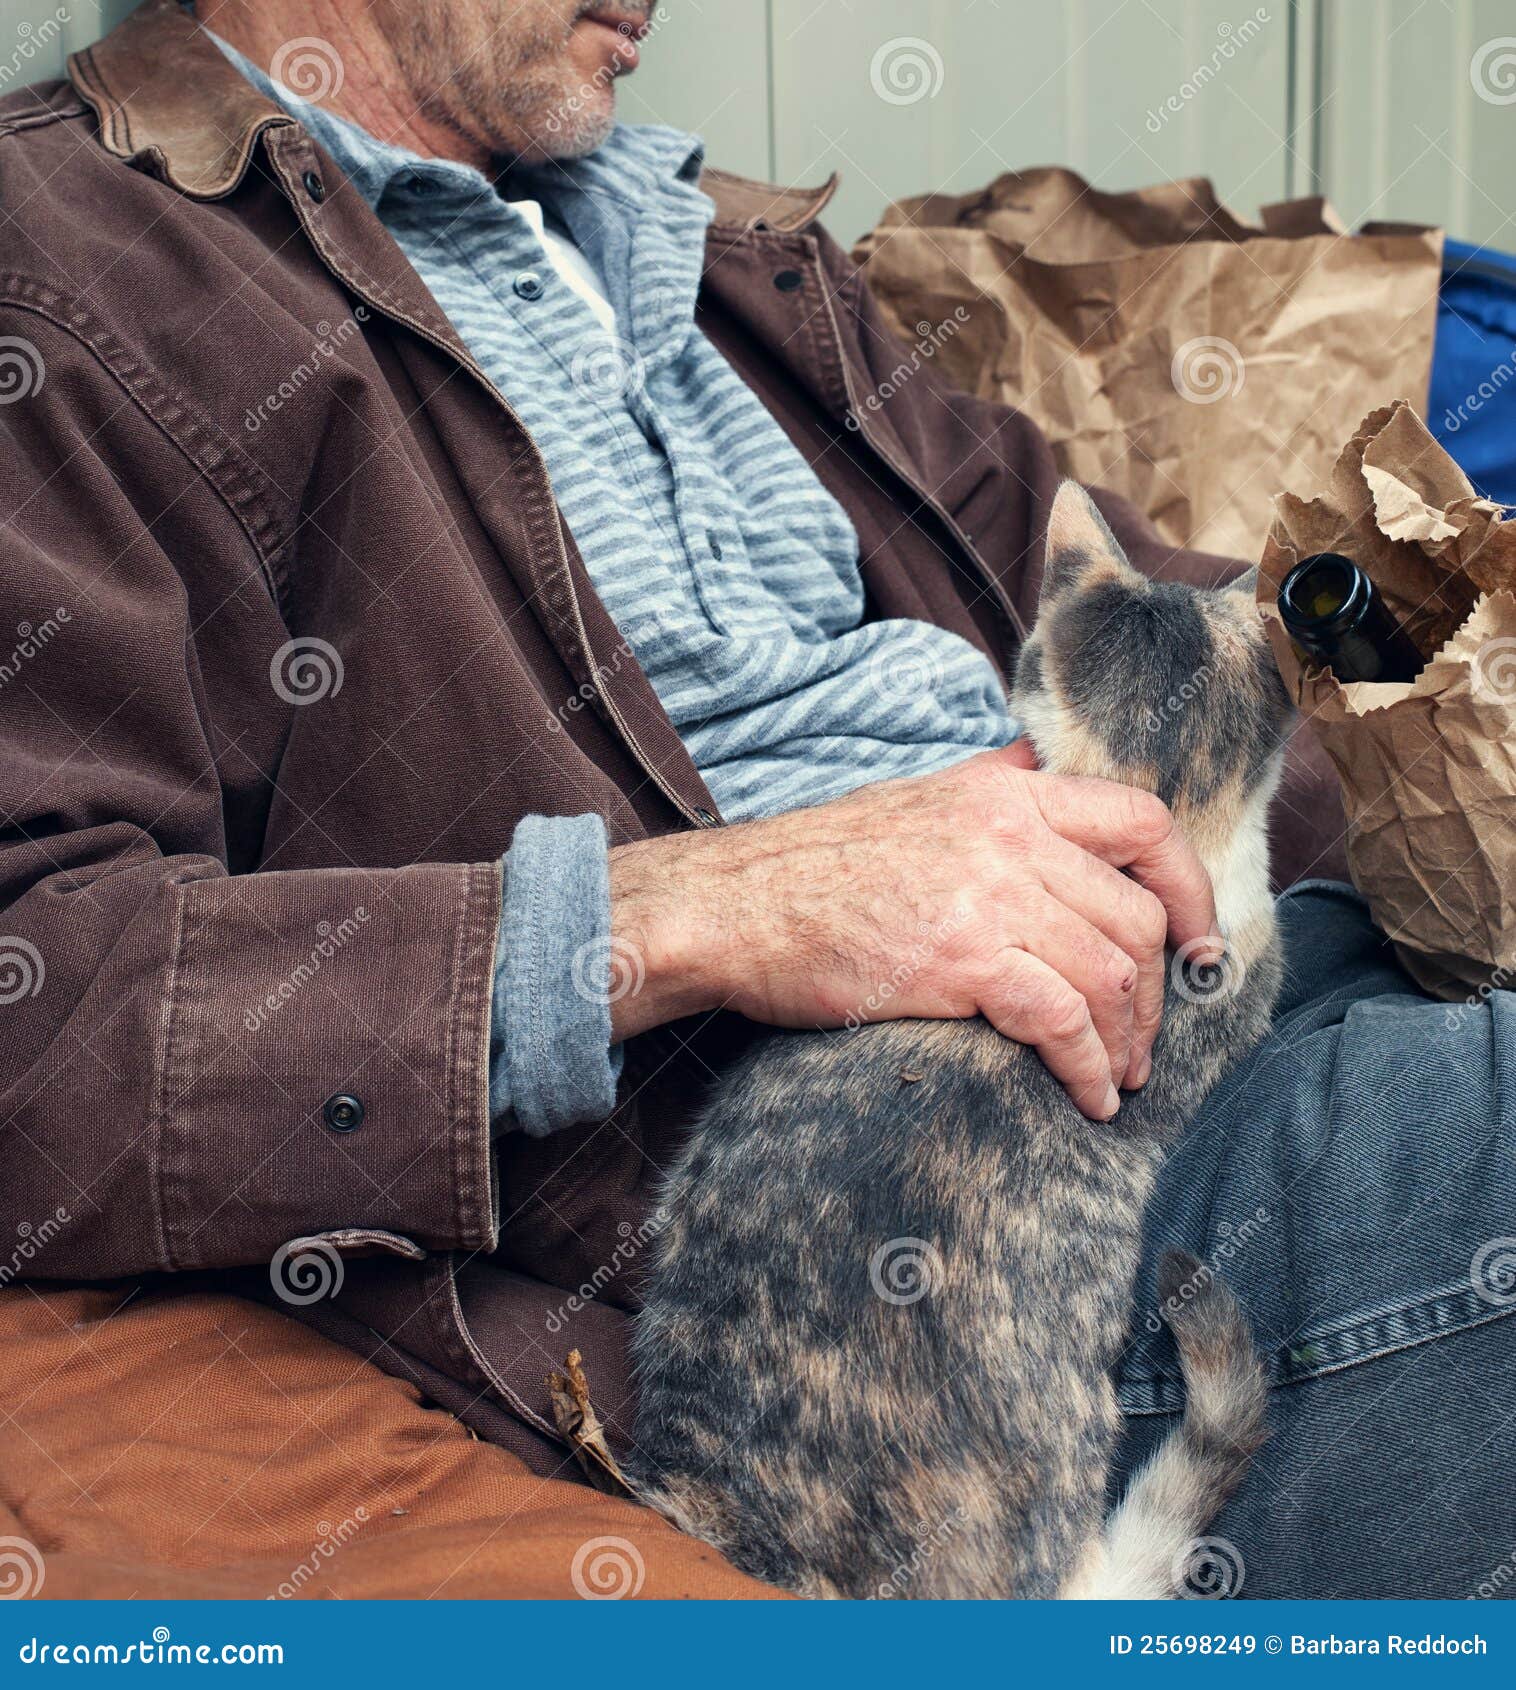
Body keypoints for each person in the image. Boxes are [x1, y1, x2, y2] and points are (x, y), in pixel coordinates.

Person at [0, 0, 1507, 1598]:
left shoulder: (713, 257)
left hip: (1212, 998)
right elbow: (44, 1006)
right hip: (928, 1270)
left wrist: (1416, 651)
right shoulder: (72, 267)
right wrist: (722, 906)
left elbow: (1116, 592)